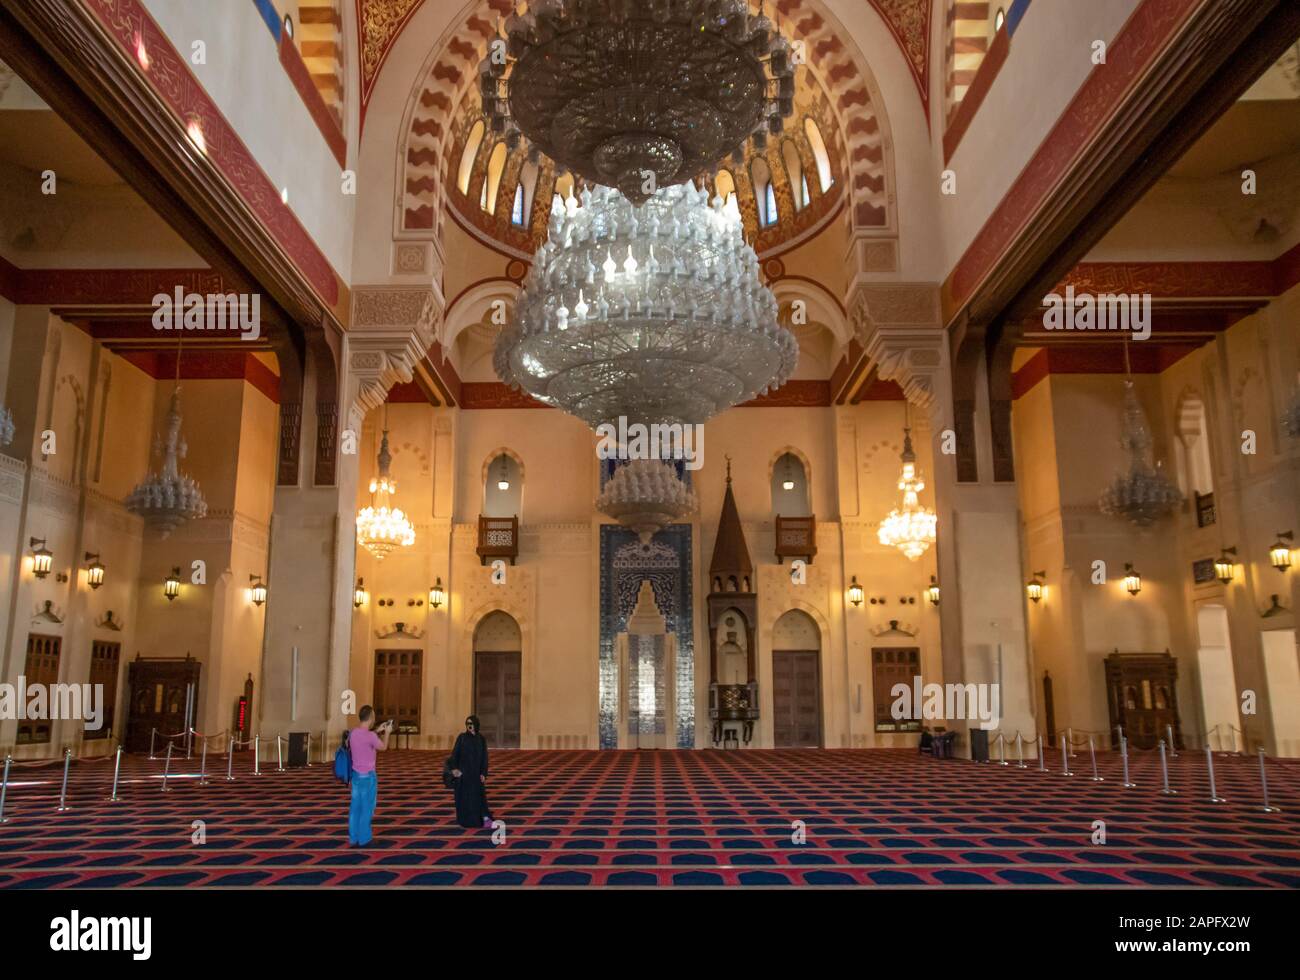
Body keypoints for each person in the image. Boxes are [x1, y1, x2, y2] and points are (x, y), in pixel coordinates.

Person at [347, 706, 392, 846]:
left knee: (355, 808)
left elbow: (364, 738)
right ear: (371, 717)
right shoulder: (371, 736)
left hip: (355, 776)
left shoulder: (353, 733)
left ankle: (353, 838)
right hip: (368, 777)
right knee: (367, 808)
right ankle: (365, 838)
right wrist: (387, 733)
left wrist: (377, 731)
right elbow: (383, 747)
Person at [450, 715, 493, 829]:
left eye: (471, 723)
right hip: (464, 775)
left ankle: (482, 818)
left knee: (478, 797)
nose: (469, 725)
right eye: (467, 723)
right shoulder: (462, 738)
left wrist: (483, 773)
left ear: (476, 724)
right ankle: (466, 821)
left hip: (476, 774)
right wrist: (455, 769)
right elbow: (455, 755)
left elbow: (485, 757)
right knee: (465, 799)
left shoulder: (481, 739)